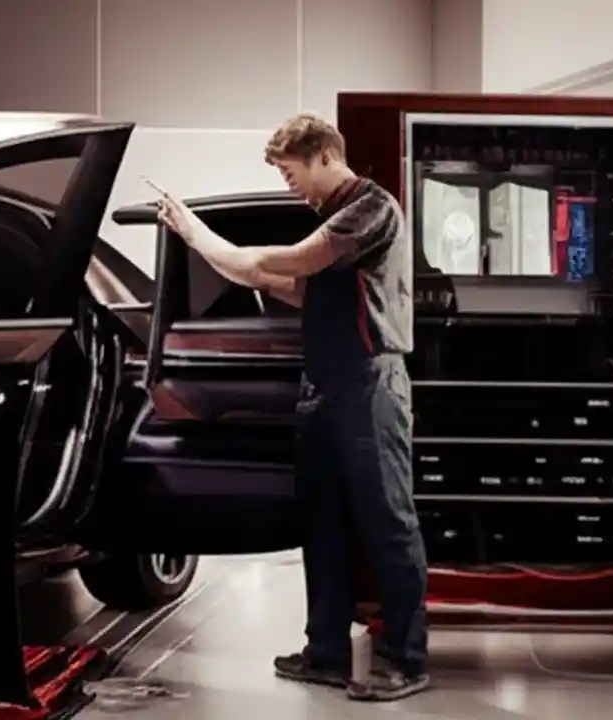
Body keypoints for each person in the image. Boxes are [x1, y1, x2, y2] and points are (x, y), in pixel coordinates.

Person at [154, 112, 430, 702]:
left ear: (325, 154)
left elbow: (283, 263)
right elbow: (277, 282)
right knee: (321, 523)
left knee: (388, 522)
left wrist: (196, 232)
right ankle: (326, 653)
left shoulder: (370, 209)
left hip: (369, 383)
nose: (289, 185)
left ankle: (407, 659)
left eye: (289, 172)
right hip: (324, 385)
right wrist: (207, 249)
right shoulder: (331, 222)